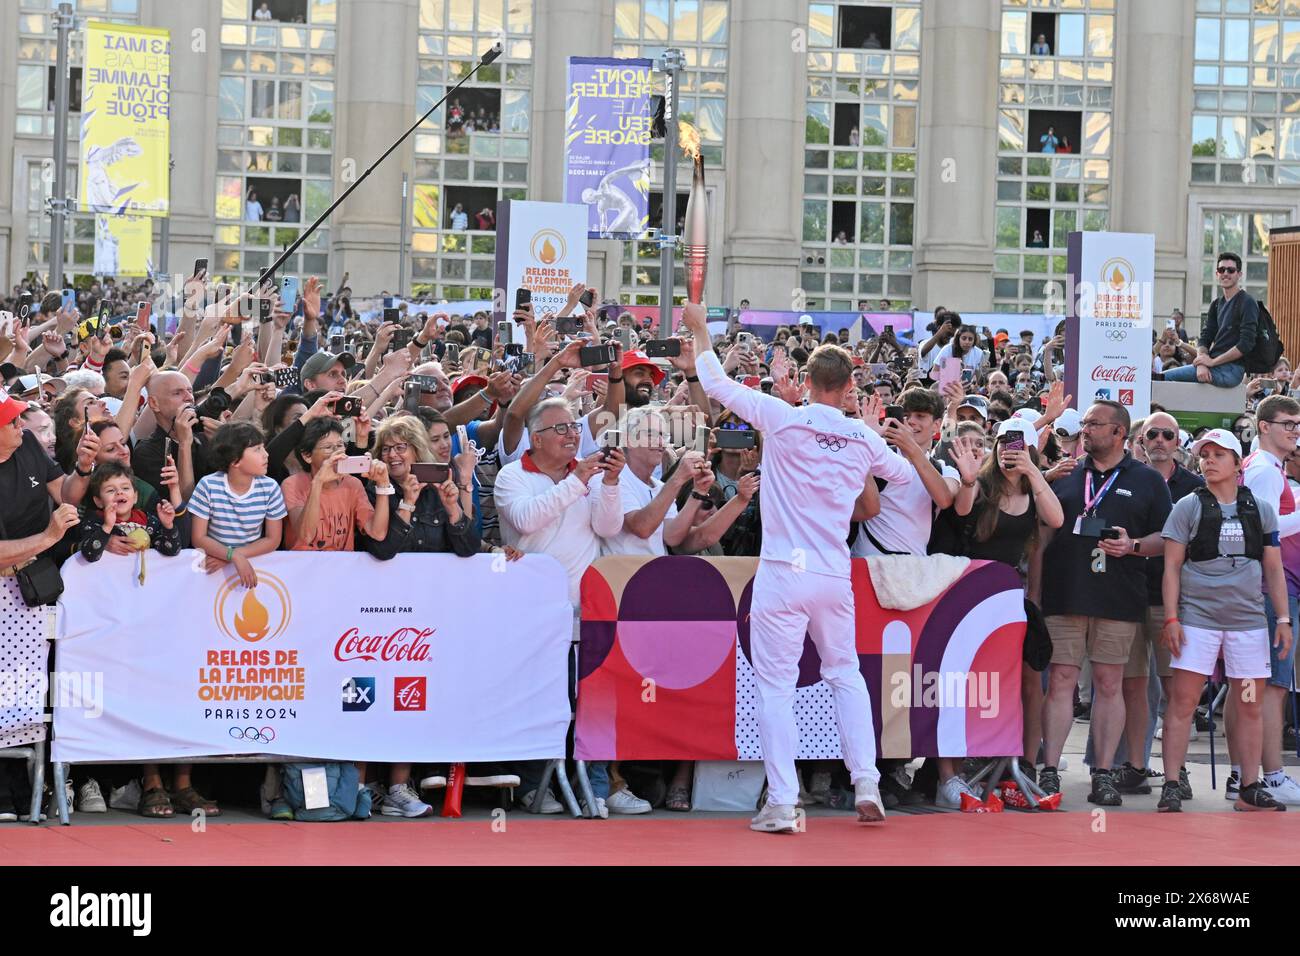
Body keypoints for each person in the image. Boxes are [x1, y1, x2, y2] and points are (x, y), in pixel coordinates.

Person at [682, 302, 914, 832]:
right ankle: (866, 783)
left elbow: (715, 383)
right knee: (846, 675)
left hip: (785, 571)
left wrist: (699, 328)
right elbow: (901, 475)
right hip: (833, 573)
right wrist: (864, 436)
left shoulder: (782, 417)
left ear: (808, 380)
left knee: (777, 687)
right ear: (850, 384)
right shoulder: (861, 437)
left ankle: (784, 802)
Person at [494, 397, 630, 815]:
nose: (573, 434)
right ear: (534, 439)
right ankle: (536, 787)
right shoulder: (511, 476)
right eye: (561, 429)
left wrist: (608, 485)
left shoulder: (584, 475)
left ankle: (597, 789)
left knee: (596, 702)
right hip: (533, 614)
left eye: (574, 427)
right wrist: (579, 482)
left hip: (588, 611)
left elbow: (608, 527)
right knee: (546, 703)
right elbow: (527, 520)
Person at [1037, 401, 1172, 806]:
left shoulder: (1148, 481)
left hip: (1118, 598)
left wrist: (1131, 546)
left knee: (1110, 685)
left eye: (1094, 424)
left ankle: (1103, 772)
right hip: (1065, 595)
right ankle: (1049, 770)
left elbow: (1165, 538)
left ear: (1118, 433)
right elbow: (1040, 538)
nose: (1085, 430)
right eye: (1084, 424)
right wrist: (1035, 594)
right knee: (1061, 682)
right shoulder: (1063, 475)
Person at [1158, 428, 1290, 812]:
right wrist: (1171, 618)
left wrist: (1282, 619)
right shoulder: (1187, 506)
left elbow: (1275, 570)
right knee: (1183, 702)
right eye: (1204, 454)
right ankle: (1171, 784)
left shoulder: (1260, 509)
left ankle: (1249, 787)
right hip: (1197, 619)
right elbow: (1171, 568)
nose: (1209, 460)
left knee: (1249, 703)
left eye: (1218, 454)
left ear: (1237, 463)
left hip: (1247, 624)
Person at [1111, 412, 1203, 799]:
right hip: (1130, 596)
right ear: (1140, 439)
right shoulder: (1126, 479)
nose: (1161, 440)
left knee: (1175, 688)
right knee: (1133, 686)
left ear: (1178, 440)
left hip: (1175, 601)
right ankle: (1134, 764)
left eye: (1169, 434)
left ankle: (1176, 770)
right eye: (1154, 434)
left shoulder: (1197, 486)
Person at [0, 388, 80, 817]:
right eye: (11, 421)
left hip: (28, 597)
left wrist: (83, 467)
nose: (22, 425)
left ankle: (24, 793)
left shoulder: (28, 443)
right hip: (7, 589)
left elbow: (67, 492)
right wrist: (49, 536)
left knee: (21, 693)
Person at [1237, 394, 1300, 804]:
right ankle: (1271, 776)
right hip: (1269, 589)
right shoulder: (1263, 468)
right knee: (1272, 685)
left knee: (1261, 684)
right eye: (1288, 424)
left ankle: (1250, 777)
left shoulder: (1266, 467)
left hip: (1271, 587)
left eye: (1297, 425)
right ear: (1264, 427)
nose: (1295, 431)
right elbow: (1259, 528)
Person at [280, 417, 391, 552]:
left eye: (340, 445)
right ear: (307, 456)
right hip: (302, 567)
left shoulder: (353, 484)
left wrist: (382, 485)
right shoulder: (292, 484)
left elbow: (377, 533)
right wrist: (318, 483)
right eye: (328, 447)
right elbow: (306, 536)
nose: (337, 452)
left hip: (340, 568)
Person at [1162, 252, 1254, 387]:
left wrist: (1211, 362)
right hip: (1213, 366)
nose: (1226, 273)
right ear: (1217, 274)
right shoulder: (1216, 304)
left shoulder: (1247, 302)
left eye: (1231, 270)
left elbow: (1245, 345)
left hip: (1231, 370)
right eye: (1221, 270)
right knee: (1161, 378)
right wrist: (1202, 361)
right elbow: (1205, 338)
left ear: (1239, 274)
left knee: (1162, 378)